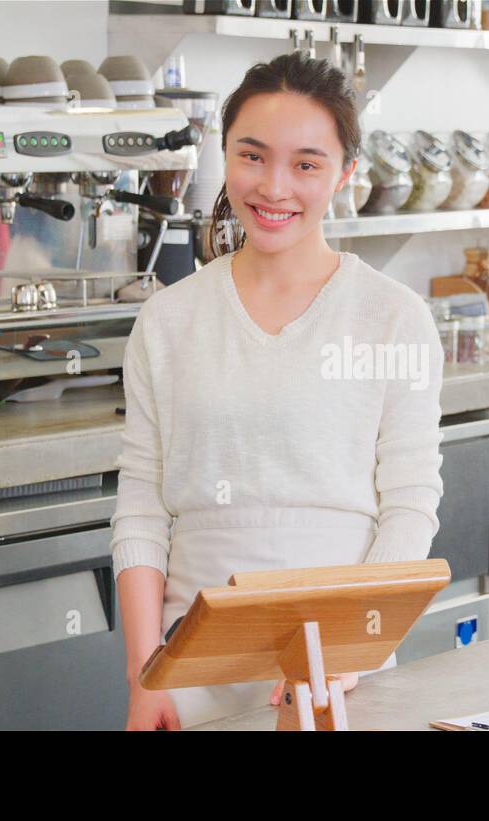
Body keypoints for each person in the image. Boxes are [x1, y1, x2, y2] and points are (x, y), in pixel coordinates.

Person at [110, 52, 445, 730]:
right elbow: (141, 509)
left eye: (307, 164)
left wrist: (351, 650)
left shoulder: (392, 315)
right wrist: (148, 675)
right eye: (253, 156)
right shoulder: (167, 320)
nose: (275, 186)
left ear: (344, 175)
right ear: (225, 155)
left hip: (340, 677)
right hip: (193, 671)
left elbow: (410, 505)